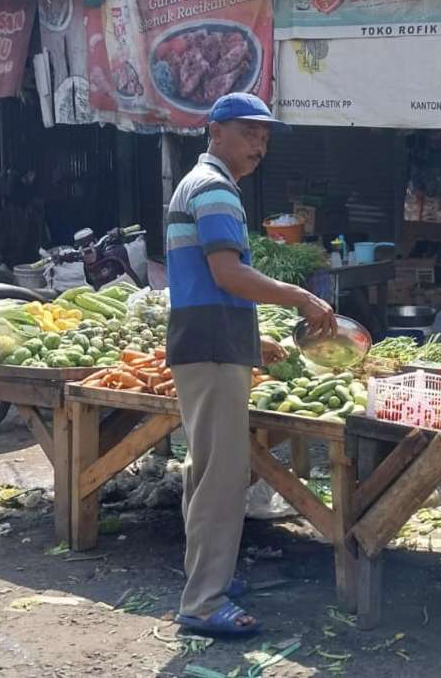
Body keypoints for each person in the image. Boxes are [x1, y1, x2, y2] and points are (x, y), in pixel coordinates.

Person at [168, 92, 335, 636]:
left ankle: (207, 578)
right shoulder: (215, 187)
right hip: (210, 346)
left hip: (209, 338)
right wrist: (301, 297)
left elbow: (212, 280)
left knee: (207, 468)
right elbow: (228, 275)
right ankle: (202, 603)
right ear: (216, 132)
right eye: (248, 132)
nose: (258, 145)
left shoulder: (204, 184)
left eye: (264, 136)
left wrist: (251, 336)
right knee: (221, 475)